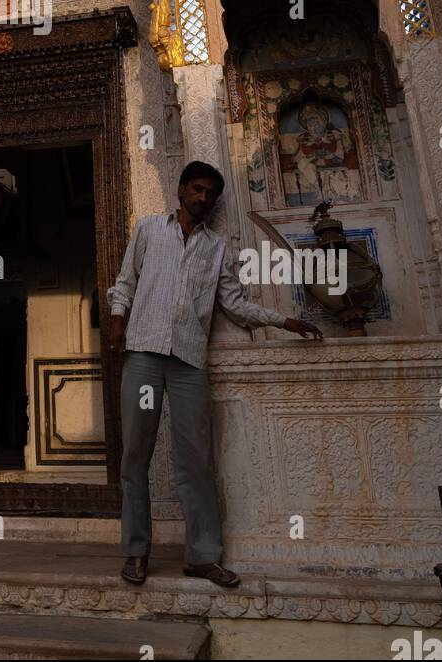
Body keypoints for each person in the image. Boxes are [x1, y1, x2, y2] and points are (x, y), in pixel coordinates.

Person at [108, 161, 322, 589]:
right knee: (134, 457)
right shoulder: (149, 229)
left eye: (211, 195)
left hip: (189, 361)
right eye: (197, 189)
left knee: (197, 461)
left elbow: (234, 304)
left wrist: (283, 322)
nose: (203, 199)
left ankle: (202, 557)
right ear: (181, 190)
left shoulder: (217, 248)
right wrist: (118, 317)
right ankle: (136, 551)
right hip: (144, 353)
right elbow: (125, 282)